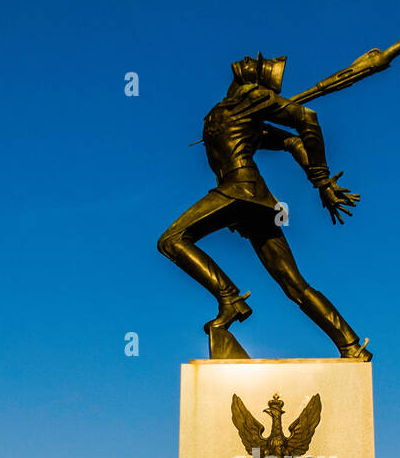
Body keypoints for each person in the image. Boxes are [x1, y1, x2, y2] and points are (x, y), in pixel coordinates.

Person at [156, 54, 371, 360]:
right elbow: (290, 141)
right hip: (252, 202)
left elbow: (306, 122)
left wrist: (322, 181)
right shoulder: (237, 109)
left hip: (240, 191)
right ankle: (350, 345)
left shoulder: (253, 97)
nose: (248, 60)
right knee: (294, 285)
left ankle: (229, 298)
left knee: (171, 240)